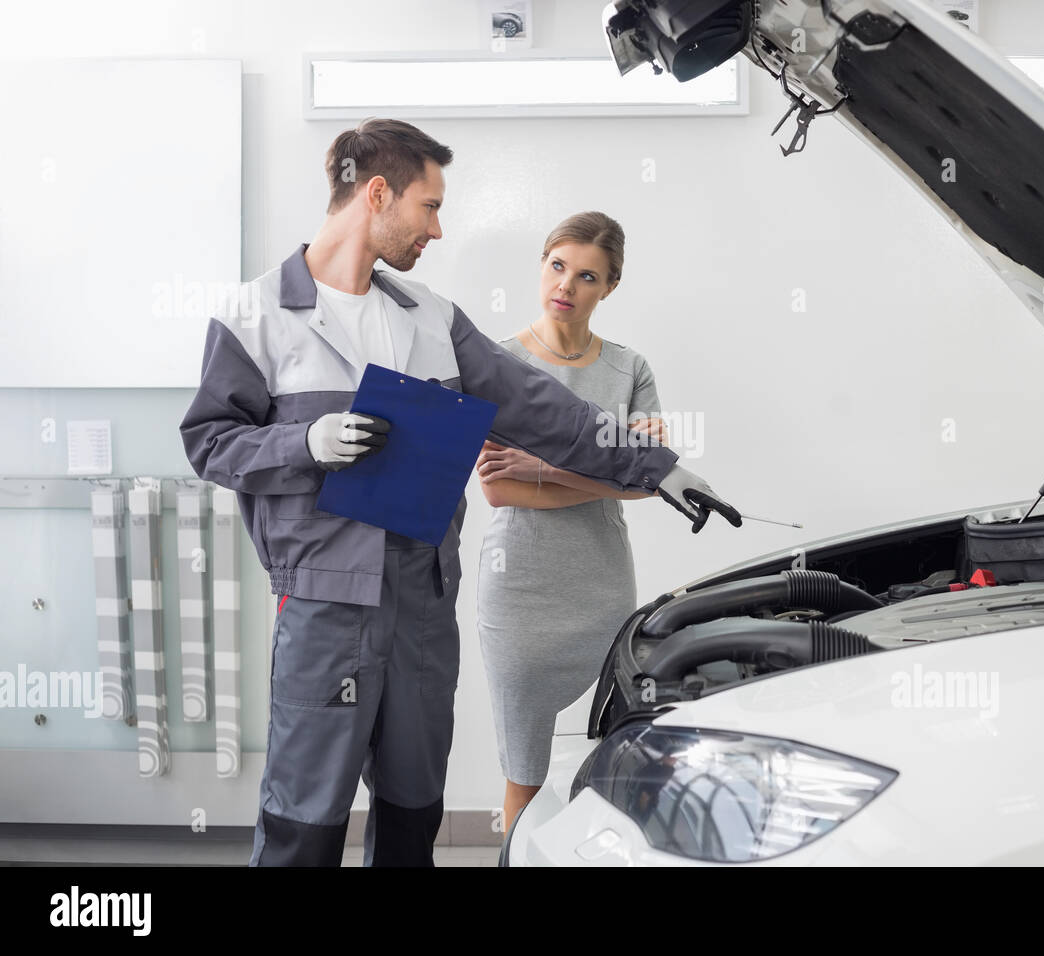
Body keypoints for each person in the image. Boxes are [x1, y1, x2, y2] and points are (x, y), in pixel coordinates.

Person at [177, 119, 741, 867]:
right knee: (303, 822)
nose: (438, 230)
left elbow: (543, 409)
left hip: (422, 600)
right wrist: (304, 444)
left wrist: (657, 466)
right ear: (377, 194)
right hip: (324, 607)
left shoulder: (431, 319)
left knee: (415, 813)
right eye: (429, 206)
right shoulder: (255, 318)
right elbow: (209, 442)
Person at [475, 212, 668, 830]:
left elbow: (648, 483)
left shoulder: (628, 369)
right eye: (558, 266)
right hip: (519, 590)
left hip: (602, 587)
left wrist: (546, 467)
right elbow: (500, 490)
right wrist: (606, 469)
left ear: (608, 287)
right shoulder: (498, 363)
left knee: (612, 759)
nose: (567, 286)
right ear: (542, 265)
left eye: (587, 276)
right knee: (523, 773)